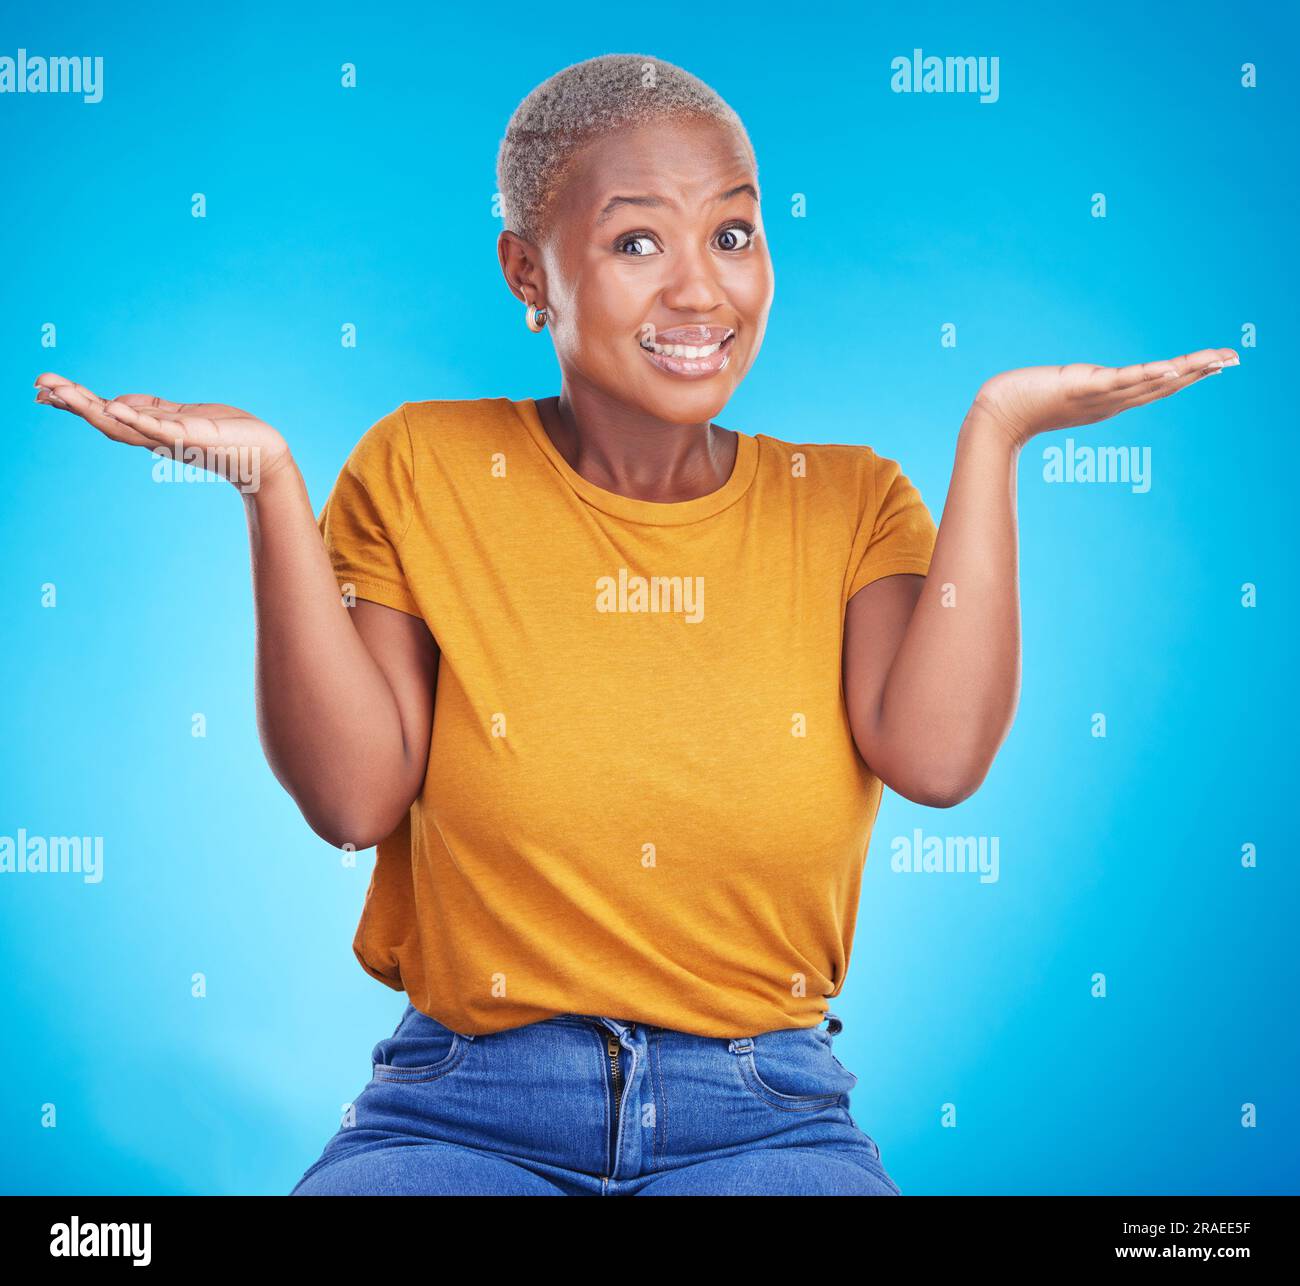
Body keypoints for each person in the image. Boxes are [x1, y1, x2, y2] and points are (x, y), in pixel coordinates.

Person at [33, 52, 1237, 1197]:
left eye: (731, 232)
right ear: (526, 272)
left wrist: (995, 435)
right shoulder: (421, 465)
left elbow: (934, 759)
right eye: (635, 240)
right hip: (463, 1104)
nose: (700, 287)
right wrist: (270, 489)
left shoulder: (853, 500)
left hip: (765, 1107)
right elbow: (354, 799)